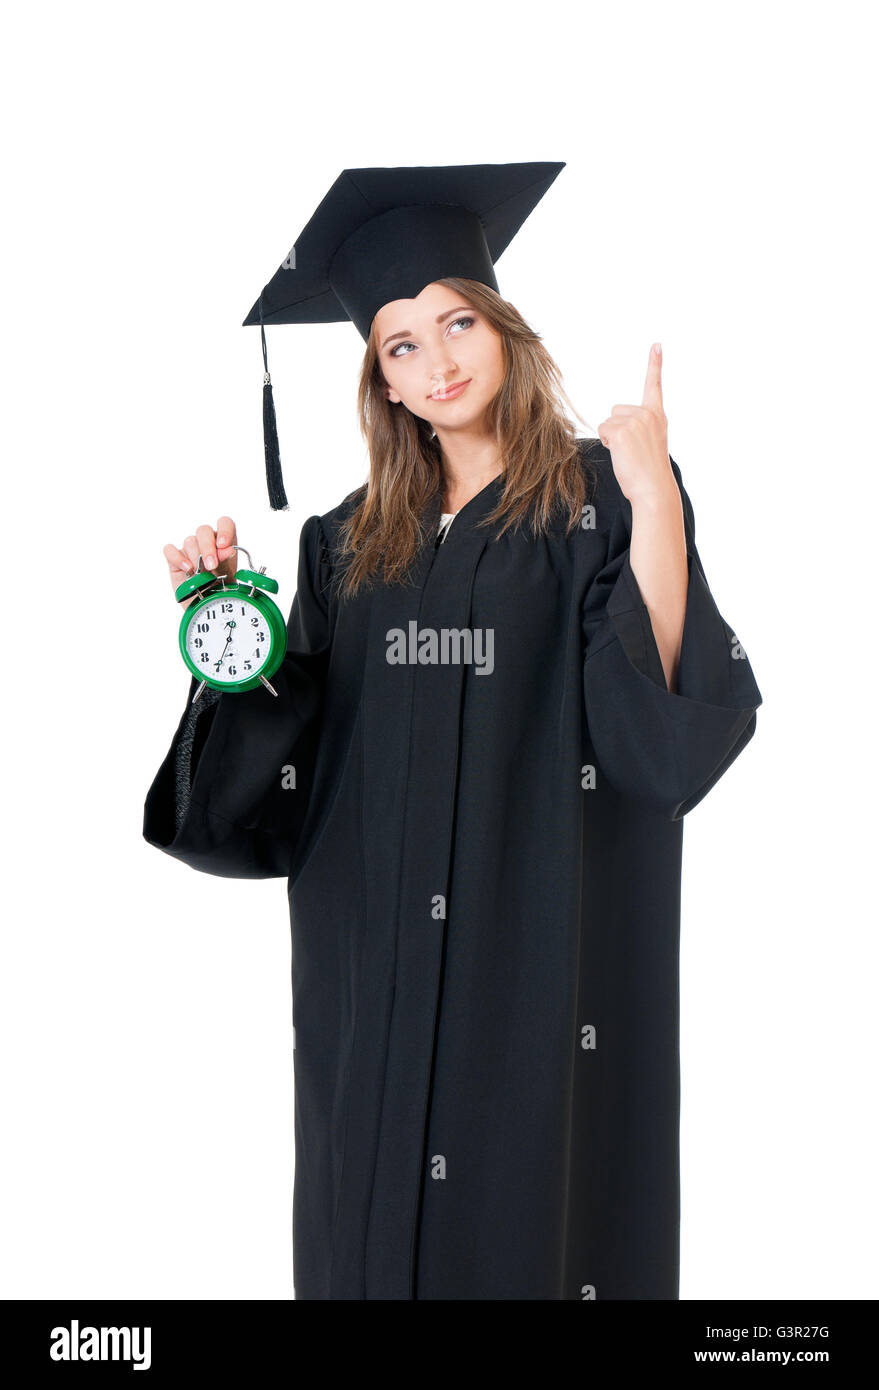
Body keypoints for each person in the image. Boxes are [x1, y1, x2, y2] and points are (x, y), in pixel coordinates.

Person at [144, 165, 763, 1300]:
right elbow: (289, 773)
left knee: (534, 1220)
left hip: (536, 965)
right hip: (370, 974)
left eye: (457, 321)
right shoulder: (344, 545)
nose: (439, 363)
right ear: (377, 377)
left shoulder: (592, 499)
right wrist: (230, 622)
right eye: (401, 344)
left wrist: (658, 497)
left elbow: (656, 738)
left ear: (504, 328)